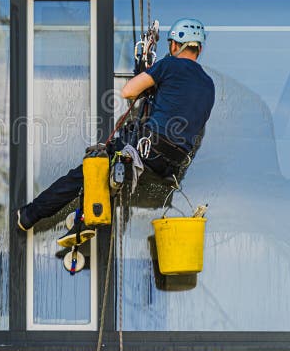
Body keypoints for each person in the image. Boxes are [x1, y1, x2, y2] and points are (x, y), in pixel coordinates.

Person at [16, 18, 215, 247]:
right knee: (111, 175)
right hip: (171, 165)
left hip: (148, 148)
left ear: (174, 45)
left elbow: (128, 92)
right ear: (198, 48)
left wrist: (149, 77)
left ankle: (31, 215)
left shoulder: (169, 65)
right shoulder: (209, 85)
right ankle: (81, 221)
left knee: (91, 167)